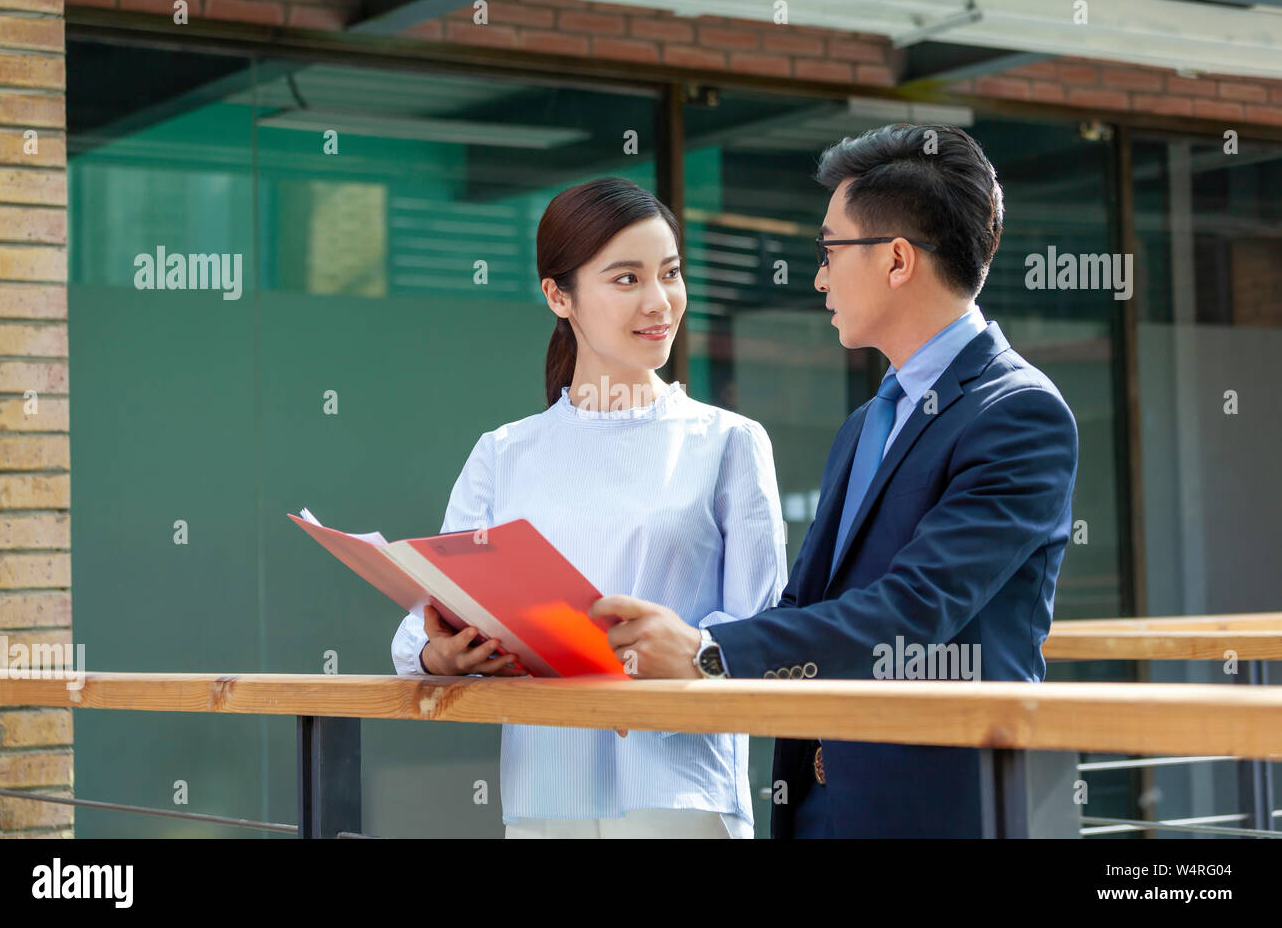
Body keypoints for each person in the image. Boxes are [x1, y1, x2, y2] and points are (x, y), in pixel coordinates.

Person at [590, 124, 1080, 838]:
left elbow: (910, 613)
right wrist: (677, 656)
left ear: (897, 260)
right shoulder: (868, 423)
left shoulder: (1019, 414)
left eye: (829, 250)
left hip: (936, 812)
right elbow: (807, 601)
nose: (819, 276)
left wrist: (707, 654)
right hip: (821, 802)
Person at [391, 177, 788, 838]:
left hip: (680, 794)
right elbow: (423, 619)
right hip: (546, 791)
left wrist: (688, 648)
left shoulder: (729, 443)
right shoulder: (505, 453)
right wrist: (444, 657)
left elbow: (762, 630)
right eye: (626, 279)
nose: (660, 301)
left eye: (670, 273)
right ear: (558, 295)